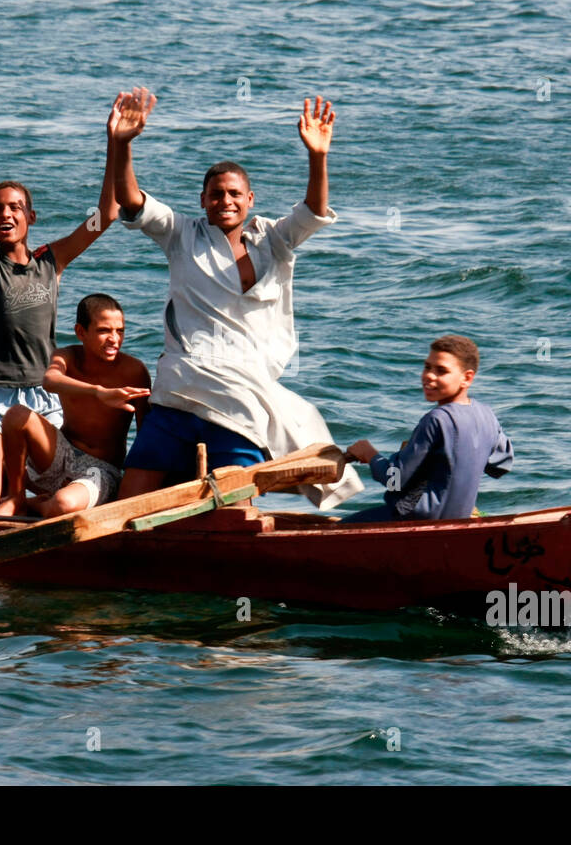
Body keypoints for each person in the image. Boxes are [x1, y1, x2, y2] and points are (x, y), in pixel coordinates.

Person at [109, 88, 362, 507]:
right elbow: (131, 202)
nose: (224, 201)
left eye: (233, 194)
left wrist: (318, 156)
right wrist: (122, 145)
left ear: (249, 200)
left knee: (235, 502)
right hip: (182, 388)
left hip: (242, 397)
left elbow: (315, 211)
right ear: (203, 201)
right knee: (131, 497)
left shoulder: (273, 239)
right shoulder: (181, 234)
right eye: (215, 195)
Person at [0, 90, 150, 511]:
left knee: (39, 497)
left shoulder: (52, 261)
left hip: (42, 398)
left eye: (16, 208)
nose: (6, 215)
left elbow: (106, 214)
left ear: (30, 217)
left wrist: (115, 142)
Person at [0, 294, 151, 516]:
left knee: (63, 505)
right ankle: (16, 497)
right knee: (16, 415)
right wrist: (98, 392)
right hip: (62, 454)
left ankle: (33, 505)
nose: (114, 339)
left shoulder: (134, 371)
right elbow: (50, 380)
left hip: (101, 469)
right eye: (104, 330)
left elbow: (145, 434)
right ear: (81, 332)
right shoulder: (68, 356)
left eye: (120, 331)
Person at [343, 335, 513, 522]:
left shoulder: (436, 419)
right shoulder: (487, 415)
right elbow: (501, 466)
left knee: (342, 528)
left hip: (415, 519)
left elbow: (395, 481)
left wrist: (370, 455)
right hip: (459, 518)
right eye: (427, 367)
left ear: (467, 377)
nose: (429, 375)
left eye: (441, 371)